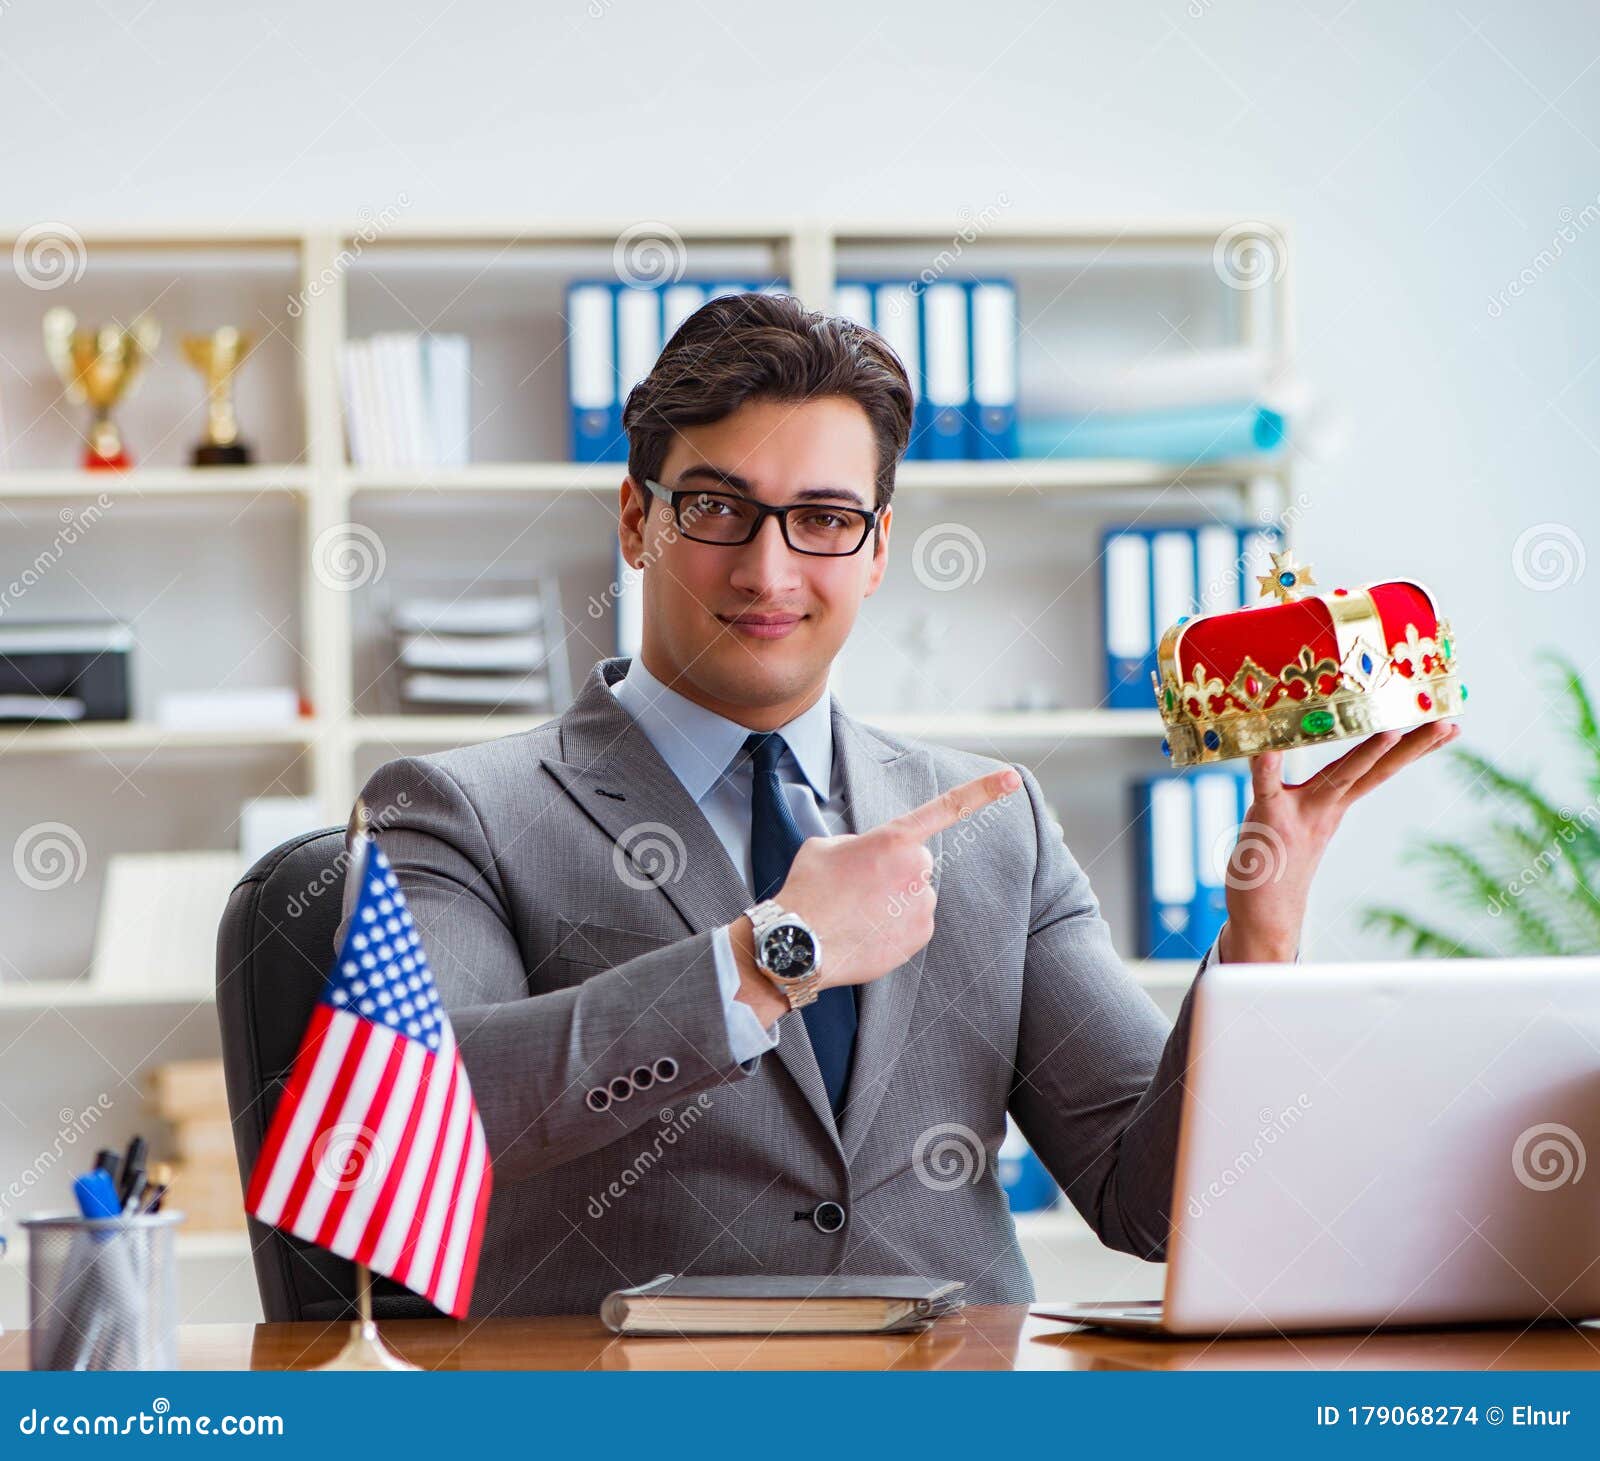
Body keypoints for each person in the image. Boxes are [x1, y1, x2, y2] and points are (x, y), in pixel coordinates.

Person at [337, 291, 1456, 1316]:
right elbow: (413, 1124)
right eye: (719, 508)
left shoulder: (989, 822)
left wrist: (1265, 919)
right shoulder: (457, 810)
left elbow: (1149, 1202)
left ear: (875, 549)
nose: (769, 573)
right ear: (636, 521)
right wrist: (774, 954)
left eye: (823, 519)